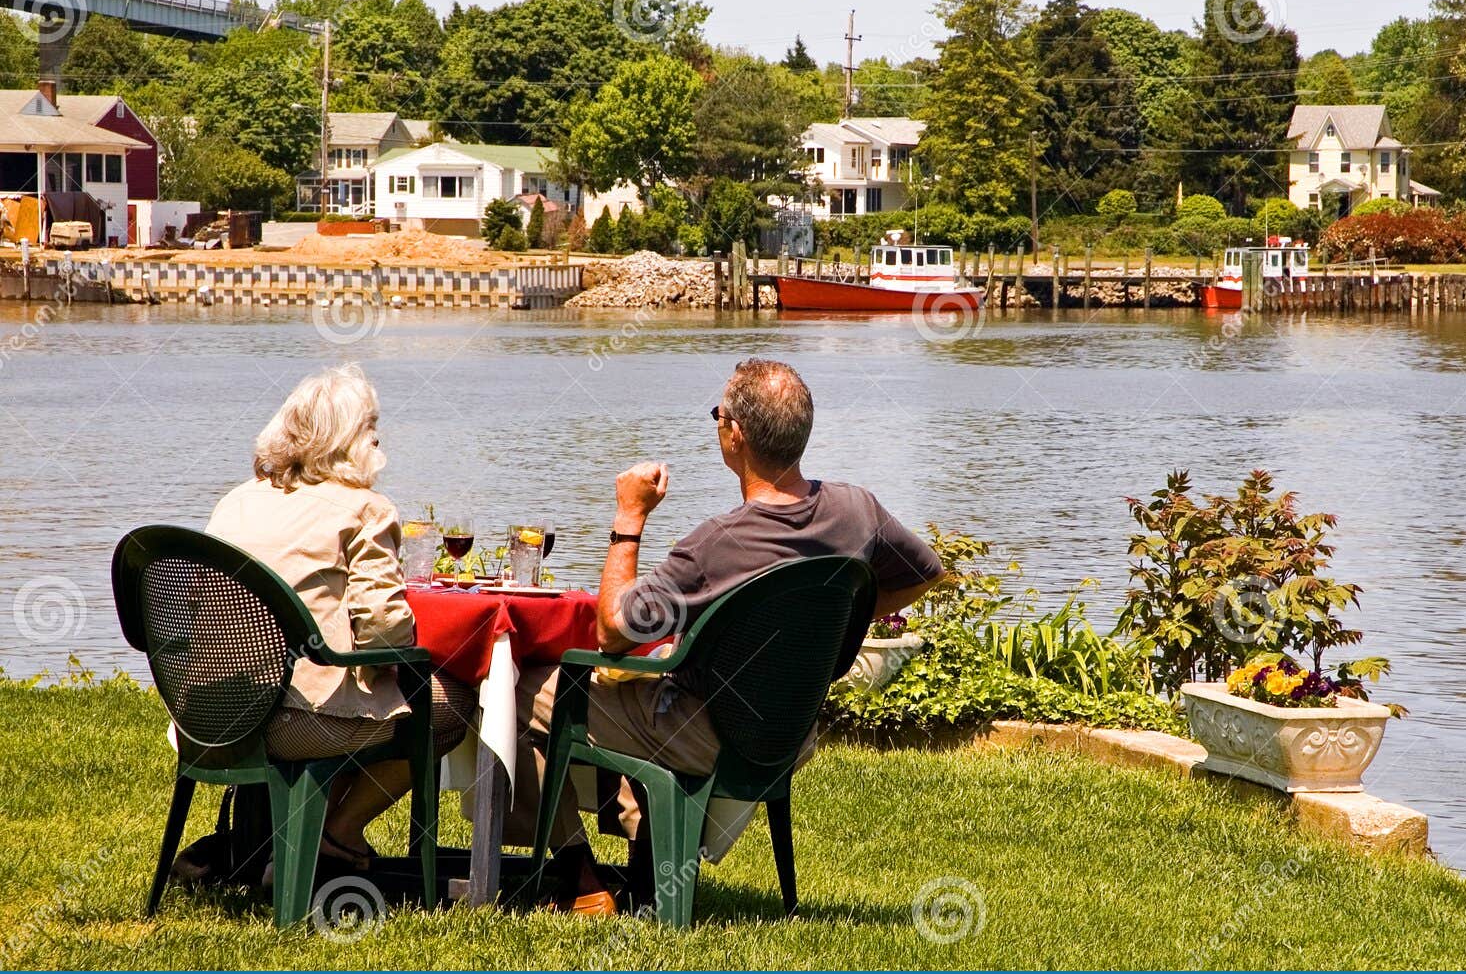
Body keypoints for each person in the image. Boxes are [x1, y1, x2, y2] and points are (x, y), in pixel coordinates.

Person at [514, 358, 944, 915]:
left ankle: (579, 877)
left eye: (718, 415)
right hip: (790, 733)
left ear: (735, 434)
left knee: (521, 689)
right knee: (638, 687)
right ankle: (649, 866)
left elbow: (613, 631)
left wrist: (629, 517)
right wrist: (839, 617)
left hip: (709, 733)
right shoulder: (858, 511)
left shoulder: (715, 544)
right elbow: (924, 572)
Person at [203, 363, 475, 870]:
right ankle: (335, 835)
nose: (378, 440)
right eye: (370, 428)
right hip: (292, 722)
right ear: (348, 439)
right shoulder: (365, 508)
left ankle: (279, 842)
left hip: (208, 715)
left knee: (369, 698)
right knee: (453, 703)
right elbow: (384, 631)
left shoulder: (236, 500)